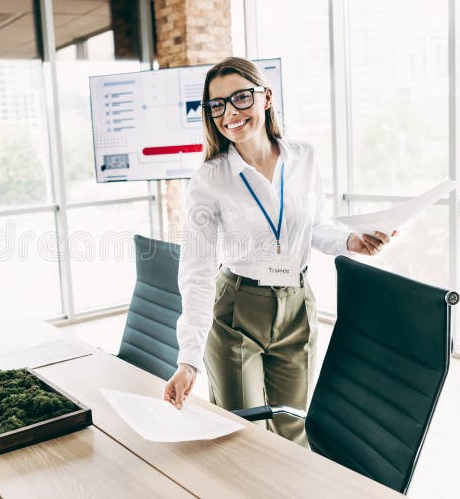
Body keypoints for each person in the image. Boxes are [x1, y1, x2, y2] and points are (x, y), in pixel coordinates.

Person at [162, 57, 395, 447]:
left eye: (240, 98)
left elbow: (313, 225)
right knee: (242, 433)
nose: (230, 113)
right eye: (217, 105)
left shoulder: (303, 157)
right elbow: (197, 270)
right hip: (237, 309)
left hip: (297, 306)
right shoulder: (210, 178)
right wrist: (188, 359)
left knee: (294, 428)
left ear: (265, 97)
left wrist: (351, 242)